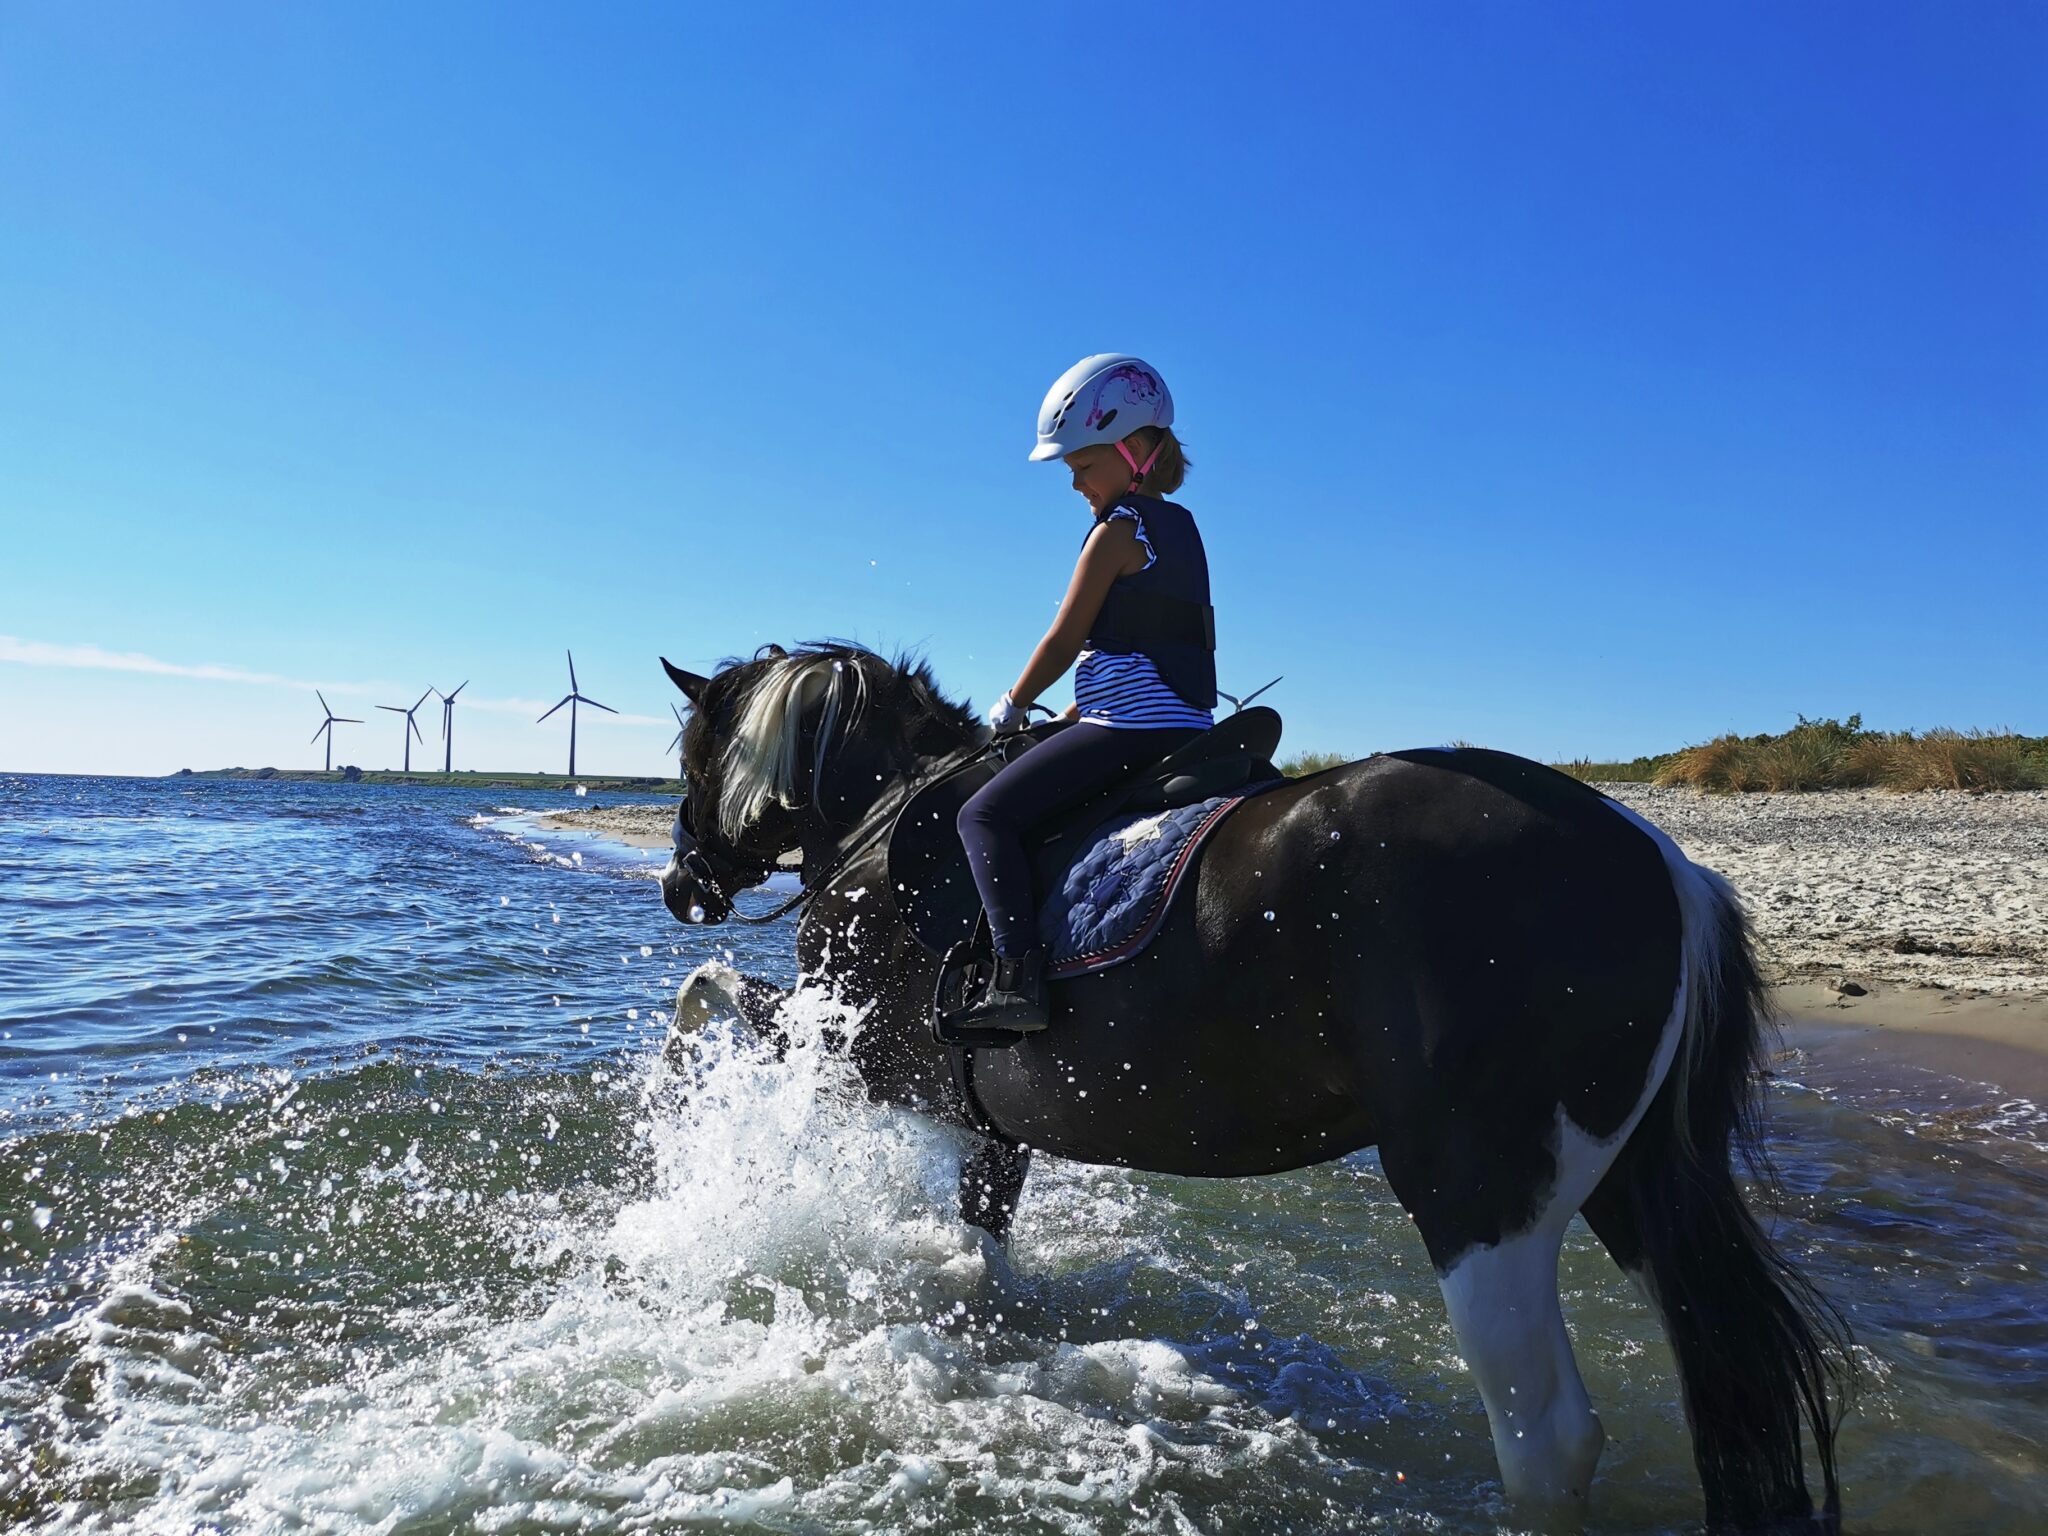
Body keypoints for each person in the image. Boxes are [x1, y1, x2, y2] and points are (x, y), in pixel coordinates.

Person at [953, 354, 1218, 1031]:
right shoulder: (1182, 530)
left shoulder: (1117, 531)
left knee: (981, 817)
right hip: (1185, 722)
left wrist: (1010, 704)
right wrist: (1075, 709)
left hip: (1134, 729)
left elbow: (1063, 639)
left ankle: (1015, 980)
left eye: (1082, 467)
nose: (1076, 485)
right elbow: (1149, 642)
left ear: (1133, 451)